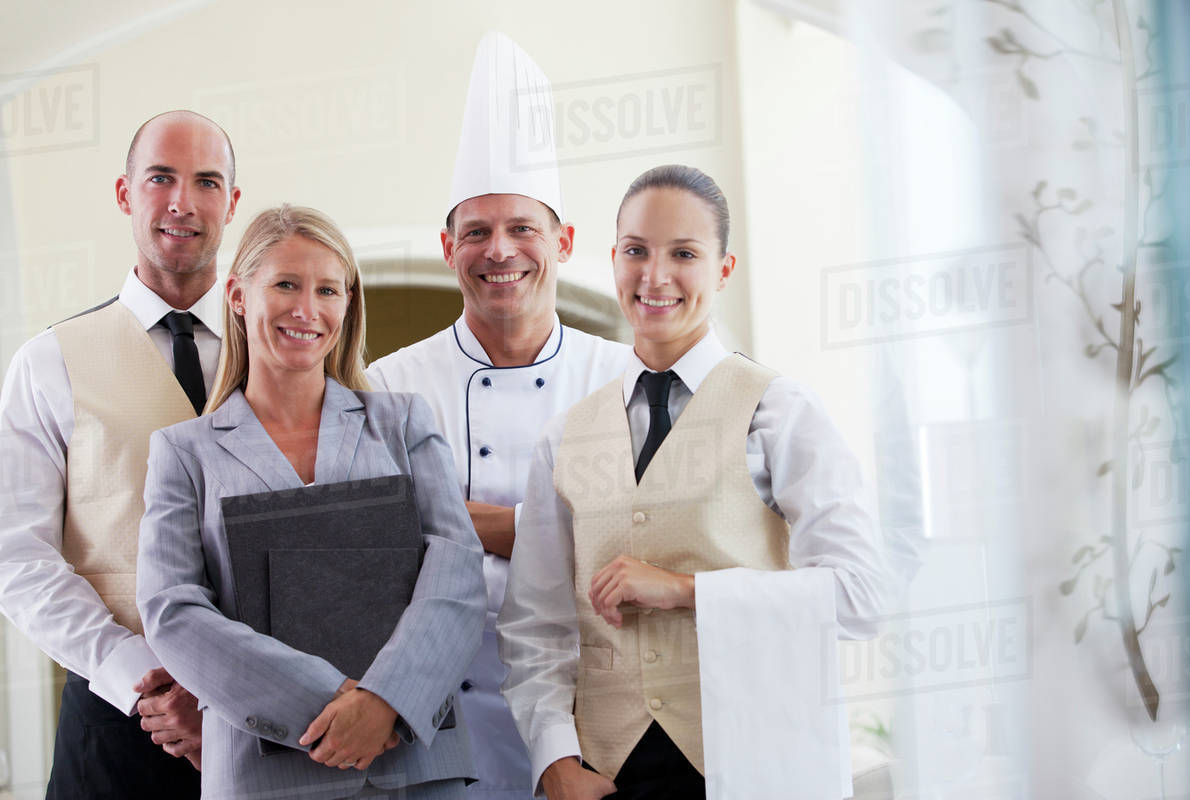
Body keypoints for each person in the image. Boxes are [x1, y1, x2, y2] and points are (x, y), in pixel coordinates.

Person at [497, 165, 893, 800]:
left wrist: (686, 591)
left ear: (723, 269)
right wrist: (554, 762)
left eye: (683, 253)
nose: (655, 276)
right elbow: (535, 626)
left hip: (756, 766)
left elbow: (862, 598)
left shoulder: (780, 412)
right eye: (636, 251)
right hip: (608, 775)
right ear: (614, 260)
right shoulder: (563, 438)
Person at [135, 204, 486, 799]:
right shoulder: (184, 453)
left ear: (348, 305)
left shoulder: (402, 423)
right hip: (265, 774)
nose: (307, 309)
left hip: (415, 768)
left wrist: (388, 702)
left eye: (328, 289)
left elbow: (456, 571)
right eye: (286, 285)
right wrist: (335, 708)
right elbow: (172, 611)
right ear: (239, 296)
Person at [367, 32, 627, 800]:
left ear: (565, 242)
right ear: (447, 248)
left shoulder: (619, 379)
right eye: (475, 231)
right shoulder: (389, 385)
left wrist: (463, 518)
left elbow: (641, 539)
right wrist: (553, 527)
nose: (499, 250)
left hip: (597, 715)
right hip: (440, 716)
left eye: (522, 229)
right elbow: (377, 540)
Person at [0, 109, 241, 798]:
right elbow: (17, 555)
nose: (181, 202)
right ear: (124, 193)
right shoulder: (48, 363)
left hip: (274, 727)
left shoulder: (284, 351)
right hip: (115, 731)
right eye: (160, 178)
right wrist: (146, 680)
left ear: (231, 202)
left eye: (206, 181)